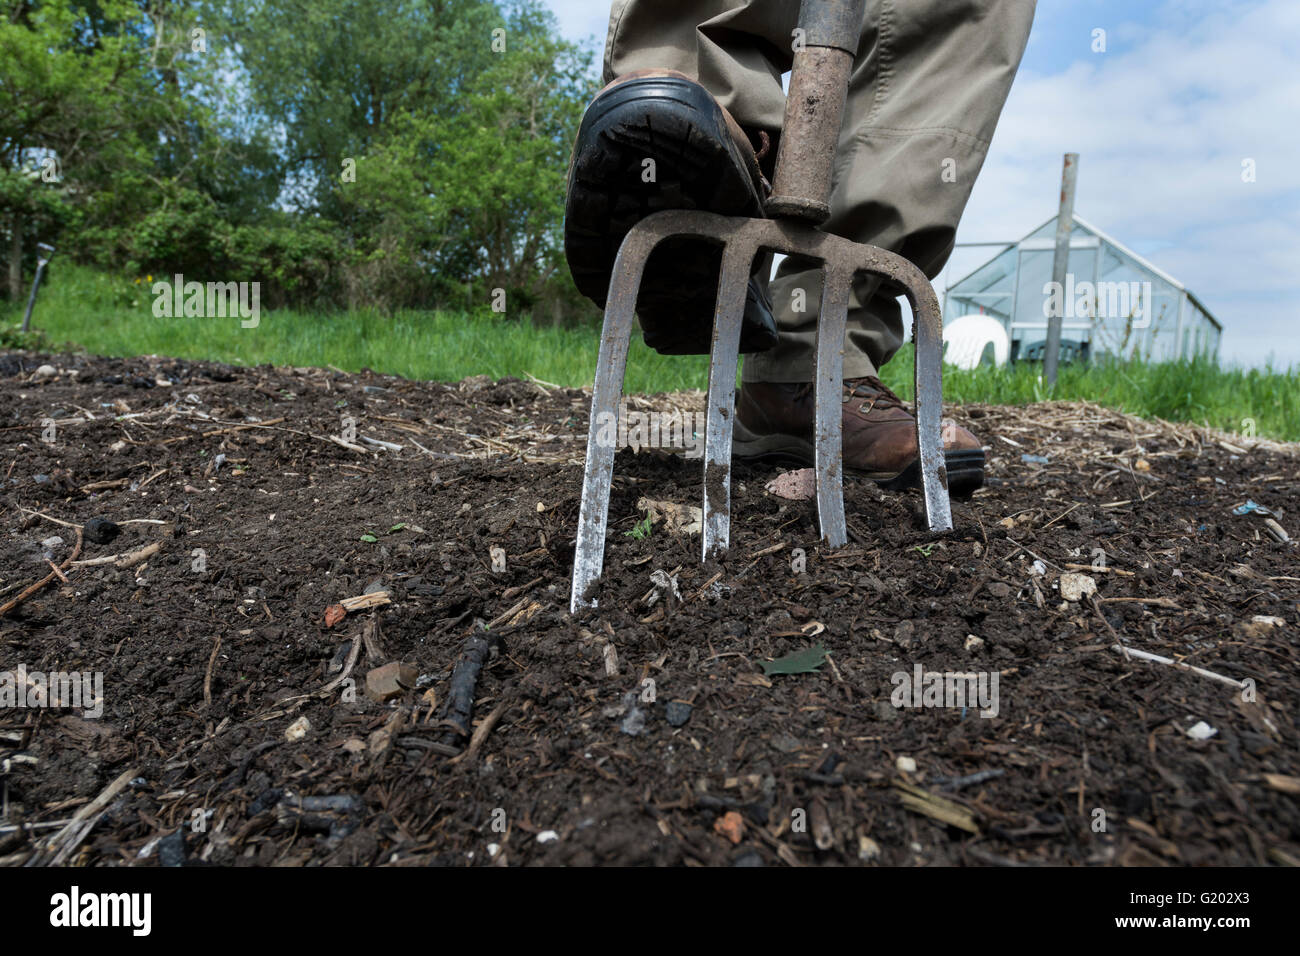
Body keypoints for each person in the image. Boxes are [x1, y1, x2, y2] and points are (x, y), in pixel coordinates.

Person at [565, 0, 1037, 496]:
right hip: (685, 133)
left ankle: (814, 359)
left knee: (948, 11)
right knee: (682, 114)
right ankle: (703, 130)